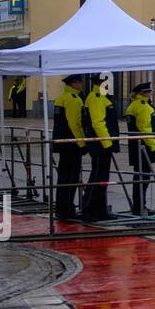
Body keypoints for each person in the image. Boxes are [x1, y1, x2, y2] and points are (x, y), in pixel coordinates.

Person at [82, 73, 121, 221]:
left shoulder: (101, 97)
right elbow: (98, 123)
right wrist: (108, 143)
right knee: (99, 177)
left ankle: (96, 209)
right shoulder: (97, 98)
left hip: (101, 143)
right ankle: (92, 210)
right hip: (100, 144)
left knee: (99, 177)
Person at [52, 75, 88, 219]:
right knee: (71, 178)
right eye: (80, 82)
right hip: (72, 144)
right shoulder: (73, 99)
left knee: (63, 177)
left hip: (63, 142)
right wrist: (82, 143)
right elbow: (75, 124)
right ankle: (67, 209)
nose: (82, 84)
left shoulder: (61, 98)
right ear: (74, 84)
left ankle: (62, 207)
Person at [124, 81, 155, 216]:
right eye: (149, 92)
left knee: (138, 176)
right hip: (144, 146)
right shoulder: (143, 107)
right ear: (143, 94)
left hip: (135, 145)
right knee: (144, 178)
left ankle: (138, 205)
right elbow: (145, 129)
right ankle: (140, 207)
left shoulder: (133, 105)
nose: (150, 94)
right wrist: (154, 147)